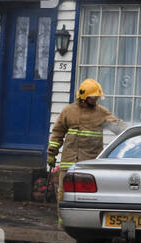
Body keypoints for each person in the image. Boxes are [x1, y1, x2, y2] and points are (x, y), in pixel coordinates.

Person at [48, 79, 119, 224]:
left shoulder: (101, 112)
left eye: (98, 97)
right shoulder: (68, 111)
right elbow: (57, 133)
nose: (97, 99)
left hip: (90, 163)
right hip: (69, 162)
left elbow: (118, 127)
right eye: (94, 97)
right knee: (63, 193)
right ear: (84, 96)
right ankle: (63, 222)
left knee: (89, 196)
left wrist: (135, 133)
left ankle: (86, 223)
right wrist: (51, 153)